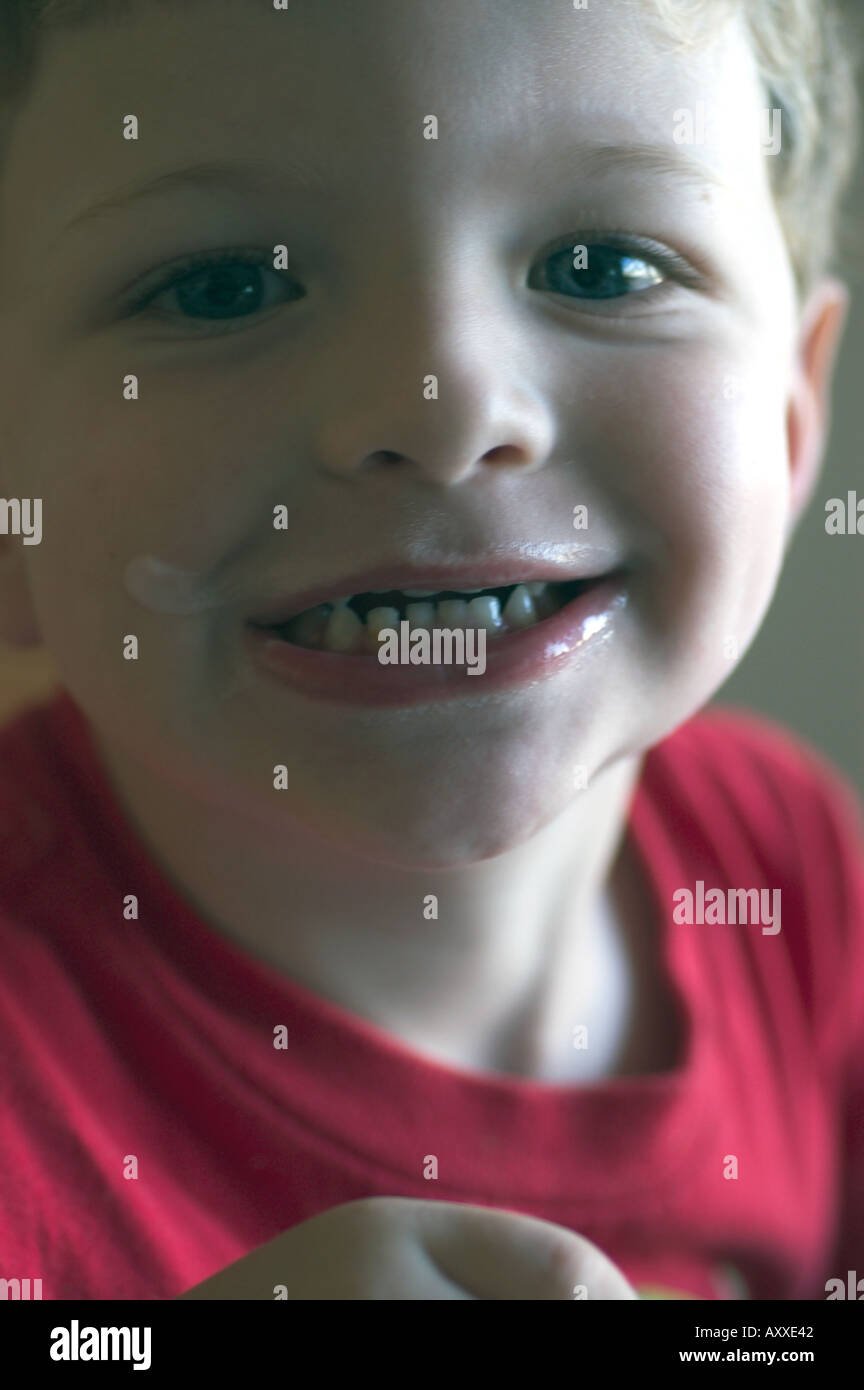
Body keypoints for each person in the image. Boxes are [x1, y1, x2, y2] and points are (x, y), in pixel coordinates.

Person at [0, 0, 861, 1301]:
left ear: (794, 421)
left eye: (605, 268)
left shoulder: (795, 868)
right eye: (225, 286)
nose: (444, 404)